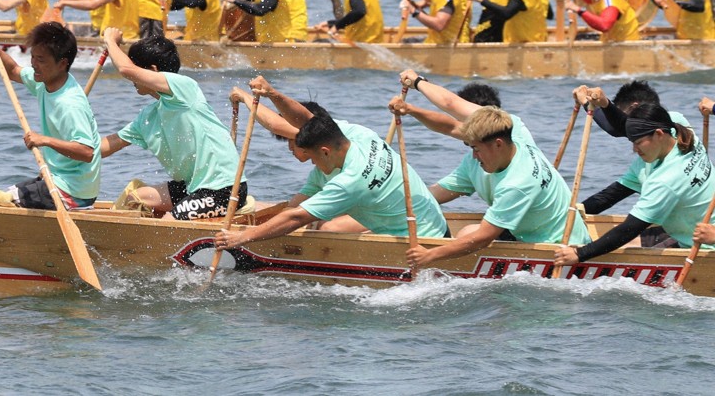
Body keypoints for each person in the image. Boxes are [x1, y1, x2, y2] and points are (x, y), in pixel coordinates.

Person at [214, 84, 449, 251]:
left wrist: (242, 238)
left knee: (322, 229)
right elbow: (307, 119)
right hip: (438, 227)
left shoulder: (349, 181)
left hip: (421, 246)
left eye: (314, 158)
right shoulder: (359, 134)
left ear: (324, 151)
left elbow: (295, 218)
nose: (313, 163)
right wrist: (272, 93)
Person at [396, 73, 591, 270]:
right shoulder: (512, 130)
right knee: (466, 233)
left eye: (476, 149)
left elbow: (483, 237)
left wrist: (429, 256)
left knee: (472, 236)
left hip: (561, 249)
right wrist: (415, 90)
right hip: (523, 231)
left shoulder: (518, 182)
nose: (473, 155)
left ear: (498, 145)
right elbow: (451, 106)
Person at [102, 30, 250, 219]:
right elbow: (105, 146)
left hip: (225, 189)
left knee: (169, 222)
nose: (131, 79)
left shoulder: (184, 87)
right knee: (136, 198)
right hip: (192, 187)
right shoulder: (149, 116)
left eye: (136, 69)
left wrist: (110, 41)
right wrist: (59, 148)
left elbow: (125, 69)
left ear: (153, 71)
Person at [554, 103, 715, 269]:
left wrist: (579, 254)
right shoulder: (678, 127)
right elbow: (625, 125)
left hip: (704, 244)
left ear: (659, 134)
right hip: (688, 228)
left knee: (620, 250)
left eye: (638, 143)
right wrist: (599, 104)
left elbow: (629, 229)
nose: (634, 149)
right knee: (626, 243)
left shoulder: (665, 181)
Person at [0, 22, 102, 210]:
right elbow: (13, 71)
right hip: (57, 179)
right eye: (33, 57)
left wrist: (44, 140)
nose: (33, 64)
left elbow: (86, 152)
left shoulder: (70, 103)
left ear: (62, 64)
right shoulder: (44, 80)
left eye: (41, 60)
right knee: (4, 194)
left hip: (74, 191)